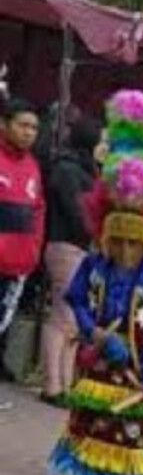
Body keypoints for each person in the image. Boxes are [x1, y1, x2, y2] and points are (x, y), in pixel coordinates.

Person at [47, 91, 143, 475]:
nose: (123, 250)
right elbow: (75, 300)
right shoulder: (94, 267)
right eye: (115, 240)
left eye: (132, 242)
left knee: (131, 432)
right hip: (99, 360)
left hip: (133, 370)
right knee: (89, 421)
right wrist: (93, 331)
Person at [39, 115, 103, 404]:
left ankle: (65, 384)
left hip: (79, 248)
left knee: (74, 321)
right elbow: (77, 213)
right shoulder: (67, 170)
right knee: (62, 317)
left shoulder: (85, 171)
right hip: (66, 245)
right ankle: (52, 384)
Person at [0, 96, 44, 381]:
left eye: (34, 127)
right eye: (23, 125)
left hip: (16, 267)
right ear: (4, 125)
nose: (29, 132)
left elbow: (38, 212)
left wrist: (33, 252)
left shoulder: (33, 166)